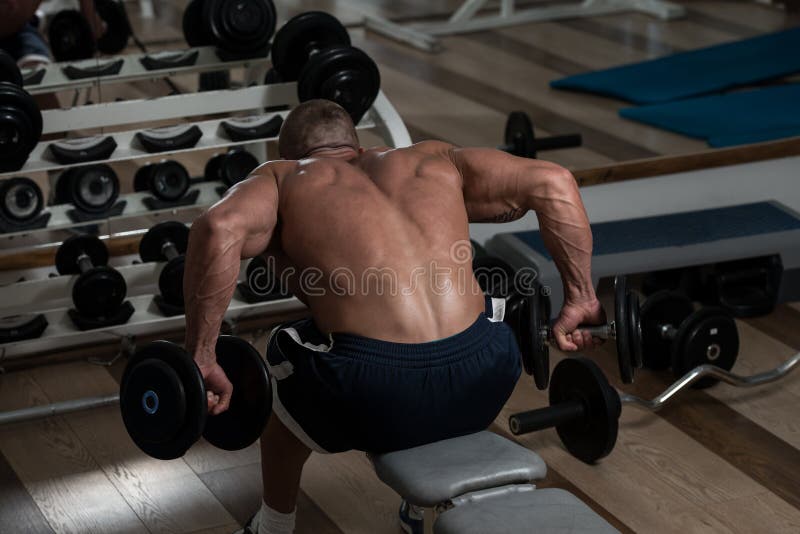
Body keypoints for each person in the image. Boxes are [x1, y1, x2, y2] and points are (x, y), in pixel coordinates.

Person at [183, 99, 604, 534]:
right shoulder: (434, 158)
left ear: (287, 155)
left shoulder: (281, 177)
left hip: (374, 395)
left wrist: (202, 356)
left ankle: (273, 526)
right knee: (477, 311)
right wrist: (581, 298)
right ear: (359, 148)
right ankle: (417, 508)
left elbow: (217, 229)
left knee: (282, 360)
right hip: (489, 375)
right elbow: (555, 182)